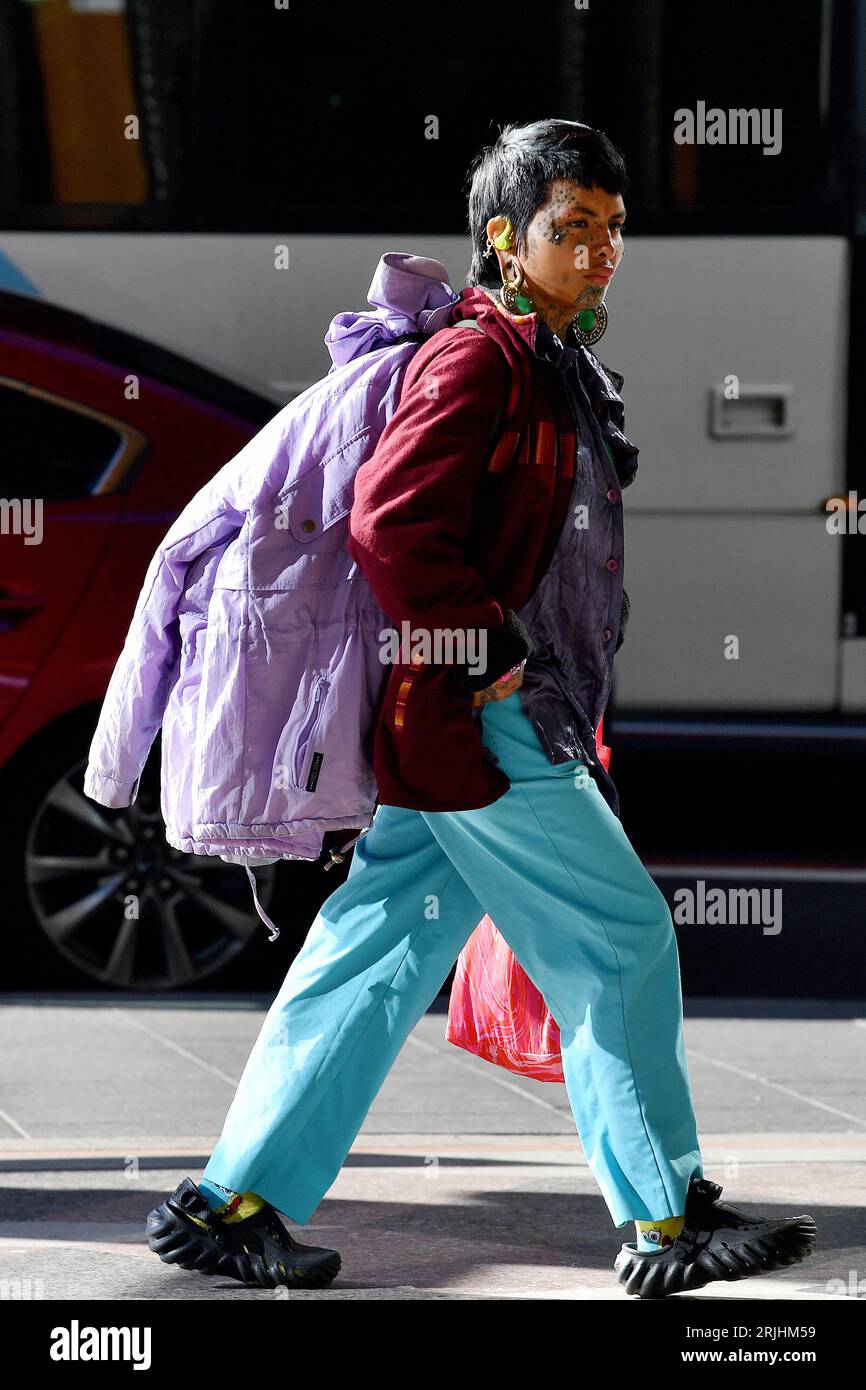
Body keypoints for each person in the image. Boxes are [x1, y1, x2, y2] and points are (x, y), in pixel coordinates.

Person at [146, 119, 816, 1299]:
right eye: (575, 228)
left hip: (455, 725)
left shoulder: (543, 358)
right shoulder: (481, 359)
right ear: (505, 240)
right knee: (616, 939)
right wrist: (492, 649)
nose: (603, 250)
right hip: (483, 721)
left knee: (373, 954)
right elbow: (390, 521)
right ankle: (664, 1218)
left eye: (613, 228)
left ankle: (231, 1201)